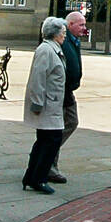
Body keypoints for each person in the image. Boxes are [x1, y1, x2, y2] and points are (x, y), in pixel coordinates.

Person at [22, 17, 69, 194]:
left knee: (44, 141)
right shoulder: (46, 50)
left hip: (52, 104)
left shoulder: (52, 49)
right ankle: (38, 179)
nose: (64, 35)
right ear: (55, 34)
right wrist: (37, 103)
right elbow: (38, 78)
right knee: (50, 141)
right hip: (47, 105)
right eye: (63, 32)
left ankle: (31, 177)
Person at [48, 11, 86, 184]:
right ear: (70, 25)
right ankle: (47, 160)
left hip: (67, 91)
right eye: (81, 25)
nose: (84, 28)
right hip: (60, 91)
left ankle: (46, 156)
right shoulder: (63, 40)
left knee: (70, 122)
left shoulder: (73, 40)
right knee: (64, 124)